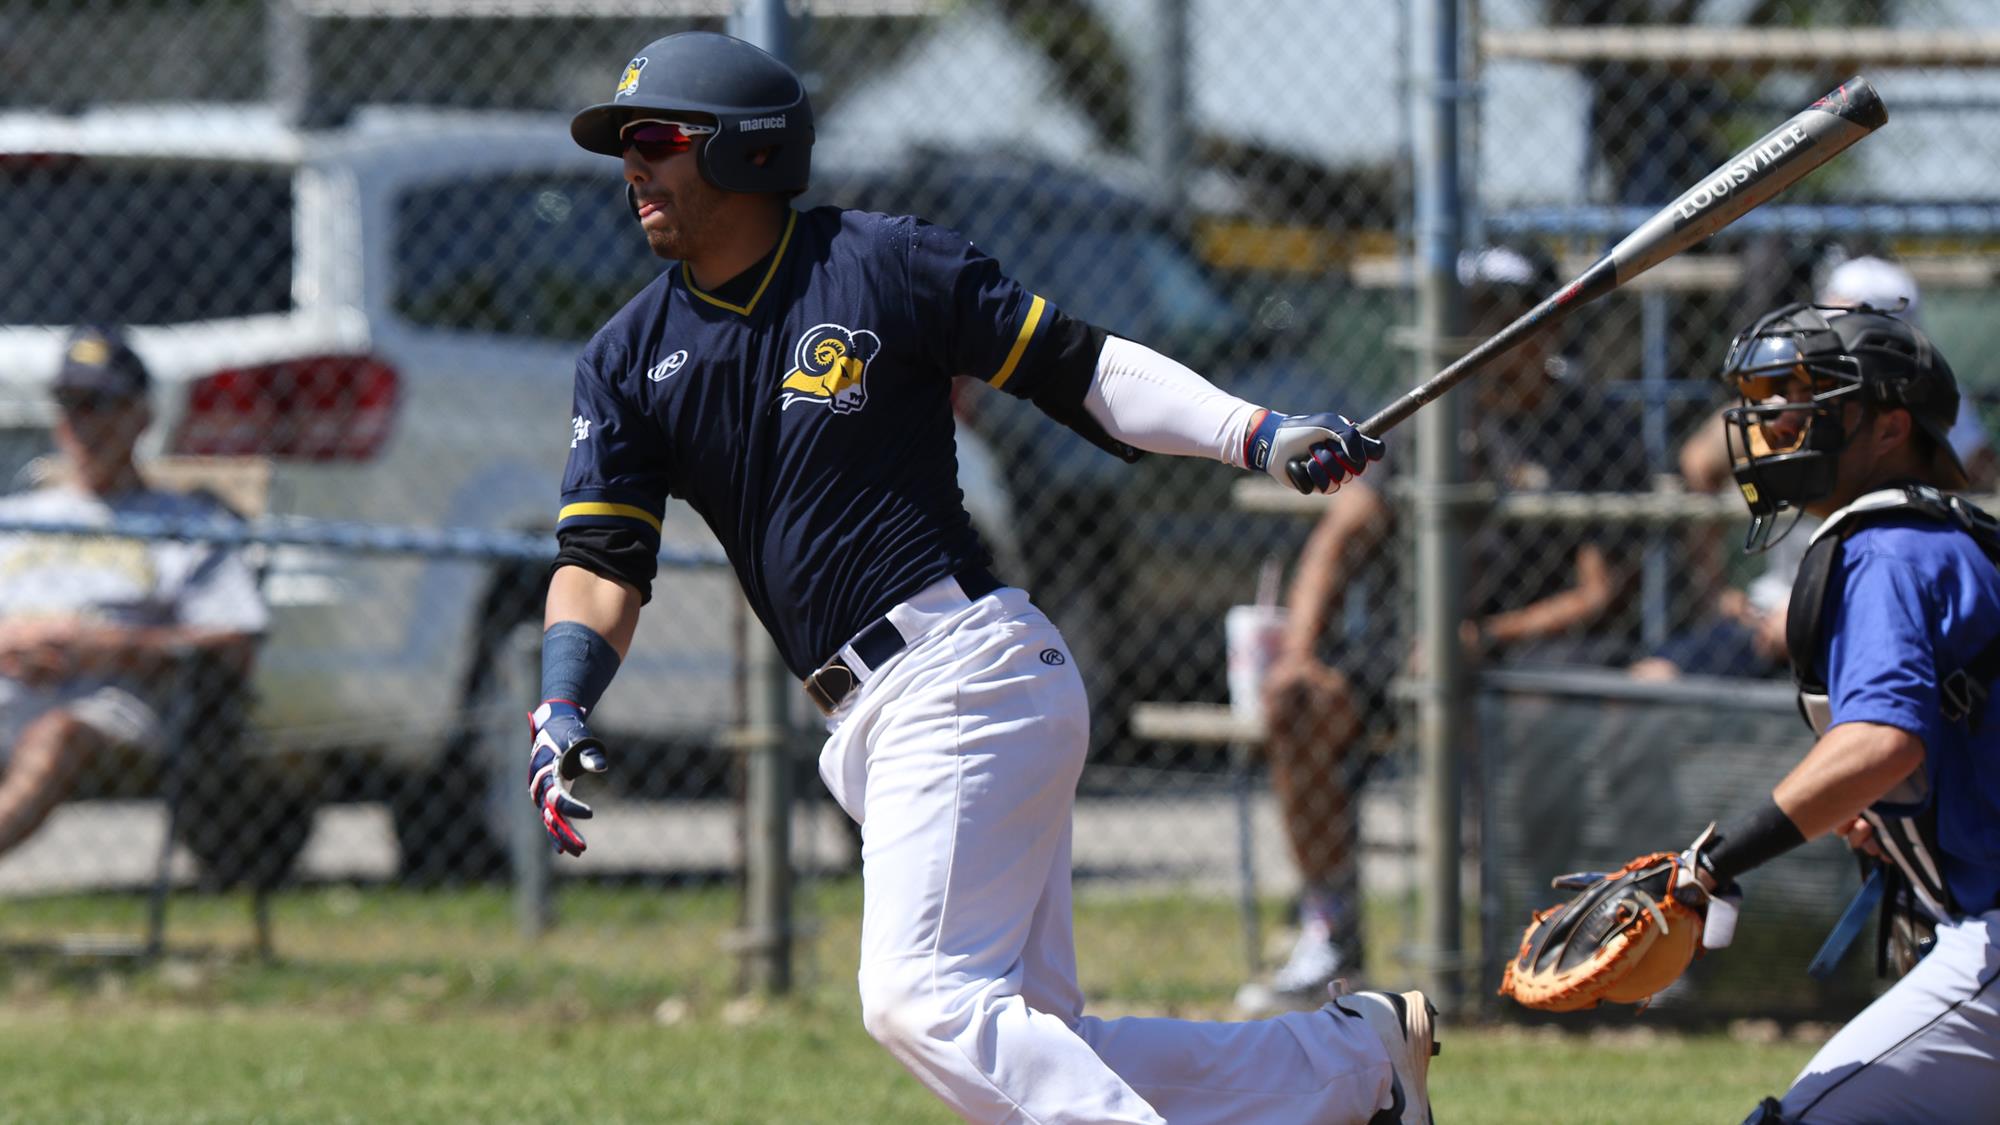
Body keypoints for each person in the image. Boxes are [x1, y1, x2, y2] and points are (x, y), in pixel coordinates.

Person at [526, 31, 1436, 1125]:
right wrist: (563, 698)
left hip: (964, 672)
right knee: (1031, 1039)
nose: (633, 164)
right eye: (622, 142)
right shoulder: (626, 358)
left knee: (918, 1001)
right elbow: (599, 562)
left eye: (658, 136)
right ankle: (1349, 1065)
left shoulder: (879, 263)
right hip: (877, 717)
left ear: (746, 150)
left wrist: (1255, 432)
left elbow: (1084, 371)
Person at [1252, 243, 1648, 1006]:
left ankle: (1539, 935)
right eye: (1476, 317)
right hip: (1423, 644)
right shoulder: (1434, 414)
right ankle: (1330, 928)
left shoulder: (1595, 426)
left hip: (1544, 649)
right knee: (1298, 703)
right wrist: (1297, 654)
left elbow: (1599, 593)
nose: (1490, 335)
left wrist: (1486, 638)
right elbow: (1339, 536)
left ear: (1547, 330)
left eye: (1508, 318)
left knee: (1532, 716)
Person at [1647, 301, 2000, 1122]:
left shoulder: (1885, 548)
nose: (1774, 423)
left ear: (1889, 427)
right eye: (1768, 401)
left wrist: (1717, 860)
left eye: (1806, 397)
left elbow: (1883, 740)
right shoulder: (1950, 538)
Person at [1633, 253, 1997, 681]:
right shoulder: (1789, 406)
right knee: (1650, 675)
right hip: (1774, 607)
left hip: (1865, 609)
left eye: (1852, 328)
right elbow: (1701, 459)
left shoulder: (1929, 417)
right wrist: (1717, 592)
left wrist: (1812, 611)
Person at [0, 327, 267, 858]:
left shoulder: (189, 524)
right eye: (70, 404)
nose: (82, 423)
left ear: (142, 417)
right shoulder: (15, 517)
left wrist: (109, 647)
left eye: (99, 404)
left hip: (112, 705)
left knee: (57, 734)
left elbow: (235, 642)